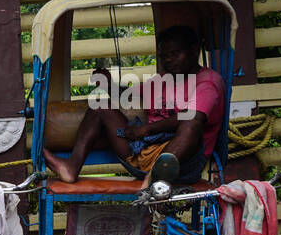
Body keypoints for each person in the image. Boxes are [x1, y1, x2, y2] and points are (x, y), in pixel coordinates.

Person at [43, 25, 225, 186]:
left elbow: (193, 116)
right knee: (100, 105)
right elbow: (128, 97)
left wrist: (147, 129)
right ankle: (71, 167)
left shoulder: (207, 82)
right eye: (164, 56)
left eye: (175, 54)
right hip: (143, 154)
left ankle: (157, 176)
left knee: (190, 124)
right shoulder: (162, 79)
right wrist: (108, 86)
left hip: (182, 166)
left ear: (194, 50)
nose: (169, 60)